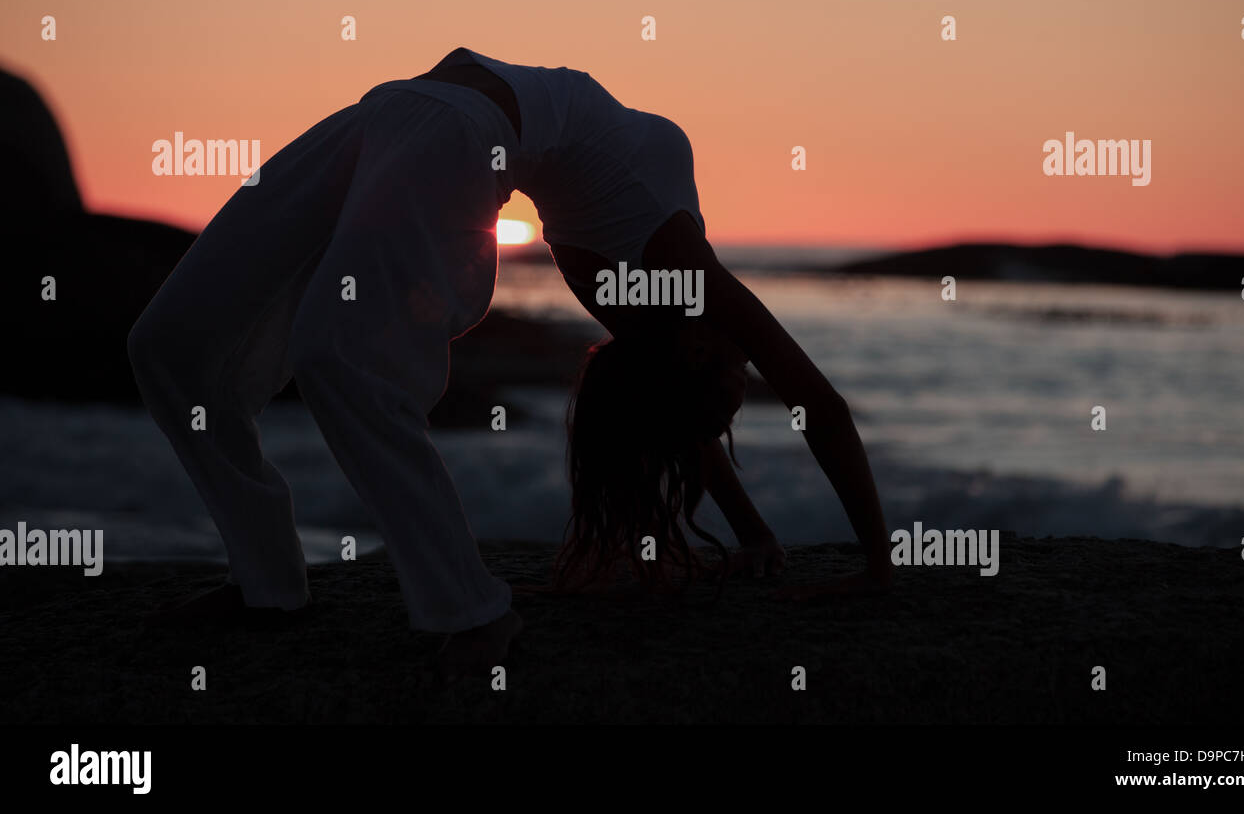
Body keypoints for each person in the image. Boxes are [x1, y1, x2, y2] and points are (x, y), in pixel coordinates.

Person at [127, 46, 891, 675]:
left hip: (452, 135)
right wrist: (877, 563)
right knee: (170, 344)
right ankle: (267, 584)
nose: (744, 377)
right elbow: (813, 404)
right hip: (398, 107)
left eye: (734, 392)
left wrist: (762, 536)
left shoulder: (655, 293)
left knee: (340, 356)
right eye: (738, 390)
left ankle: (475, 612)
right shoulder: (683, 275)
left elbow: (690, 406)